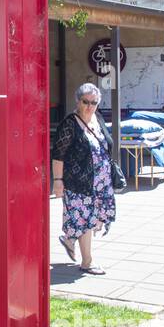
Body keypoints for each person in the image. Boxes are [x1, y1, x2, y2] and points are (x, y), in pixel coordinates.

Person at [51, 82, 118, 274]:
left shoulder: (97, 119)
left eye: (94, 102)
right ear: (78, 101)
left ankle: (70, 239)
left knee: (92, 218)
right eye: (85, 101)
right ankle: (87, 262)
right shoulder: (70, 124)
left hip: (101, 182)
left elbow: (106, 144)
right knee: (86, 220)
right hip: (79, 181)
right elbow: (58, 154)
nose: (89, 106)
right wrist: (58, 181)